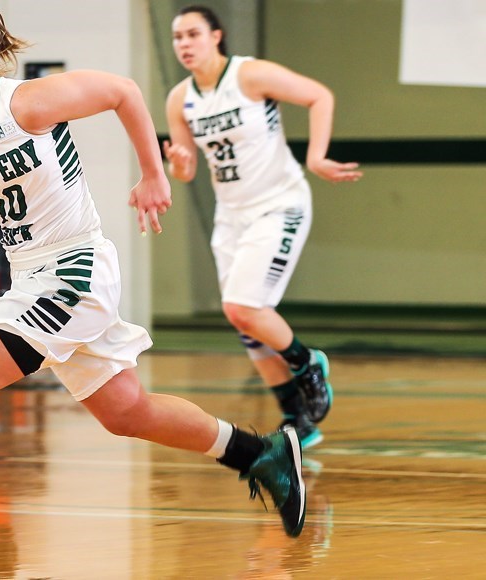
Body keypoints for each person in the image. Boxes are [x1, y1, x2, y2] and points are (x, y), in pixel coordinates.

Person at [0, 4, 306, 578]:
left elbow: (122, 91)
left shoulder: (26, 104)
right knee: (126, 411)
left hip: (76, 268)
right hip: (35, 276)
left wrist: (152, 171)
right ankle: (261, 455)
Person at [163, 5, 362, 449]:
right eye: (177, 37)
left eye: (193, 34)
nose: (184, 44)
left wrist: (315, 156)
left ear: (216, 36)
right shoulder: (181, 98)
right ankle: (298, 421)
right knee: (248, 328)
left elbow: (319, 95)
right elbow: (188, 170)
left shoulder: (249, 76)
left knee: (241, 306)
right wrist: (178, 165)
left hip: (278, 204)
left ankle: (308, 362)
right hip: (231, 217)